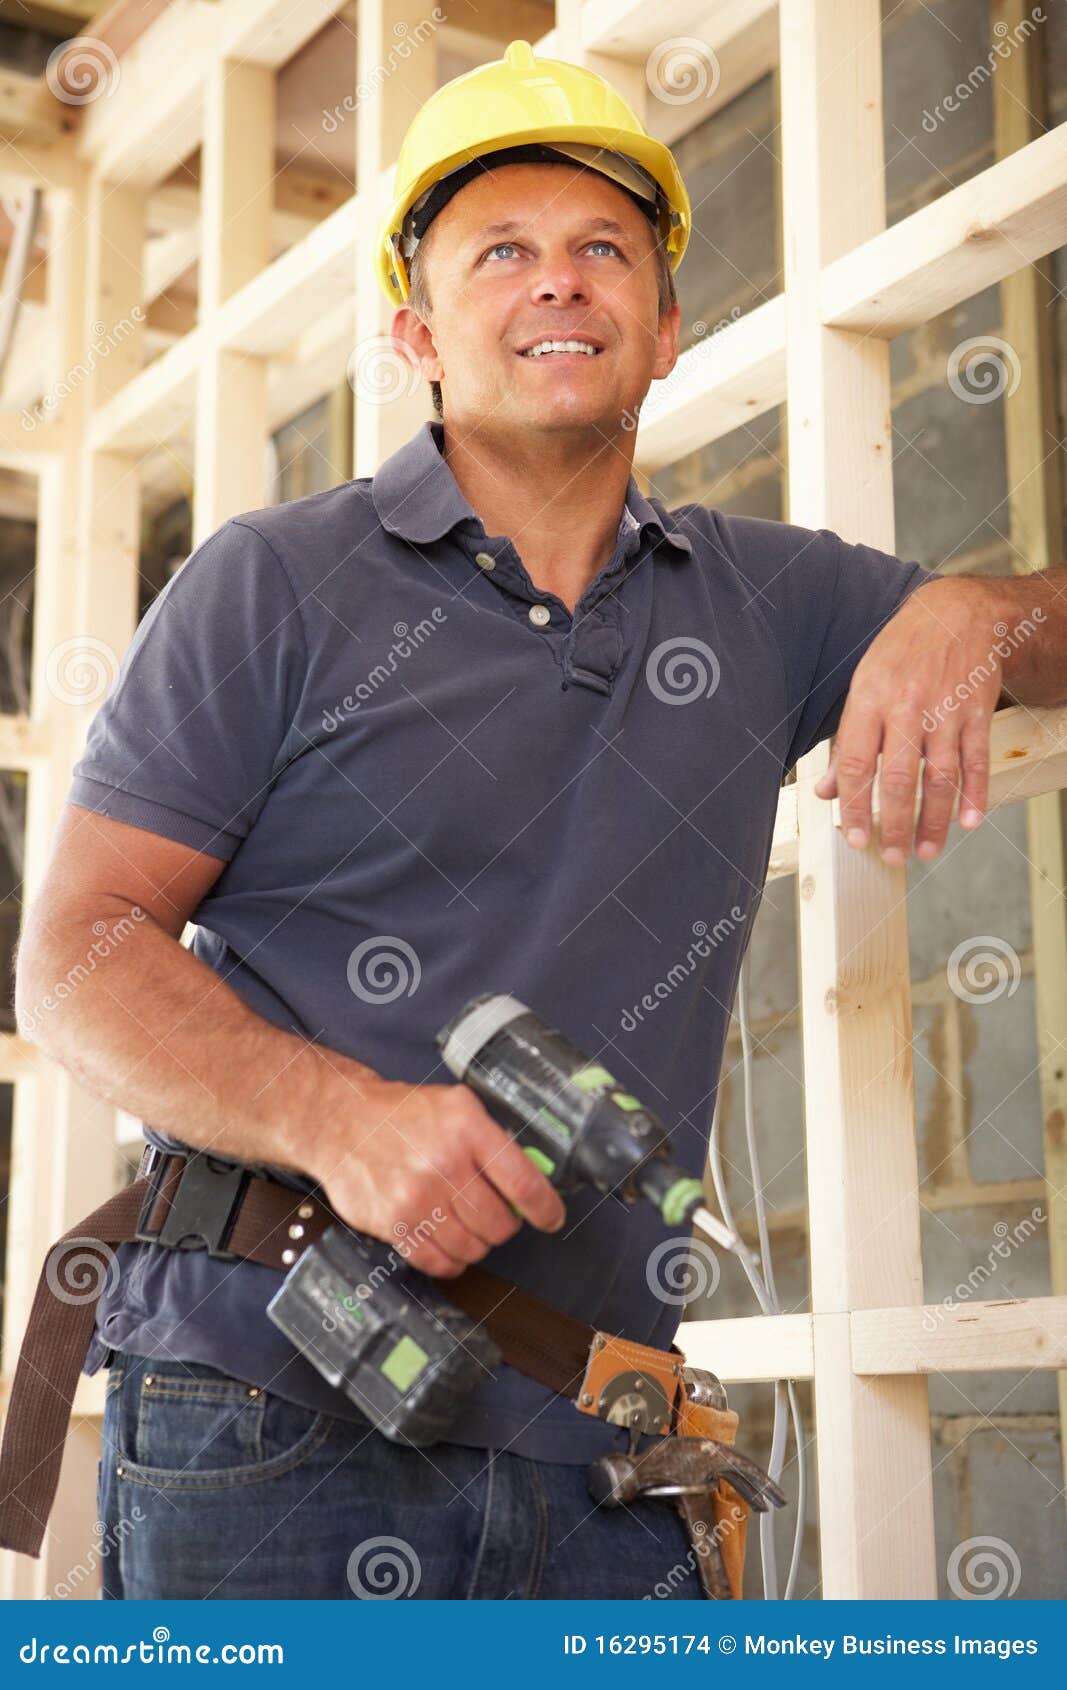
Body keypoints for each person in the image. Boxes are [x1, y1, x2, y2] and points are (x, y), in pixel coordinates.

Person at [12, 40, 1067, 1601]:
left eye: (602, 253)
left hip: (604, 1448)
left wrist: (972, 609)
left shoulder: (767, 600)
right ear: (418, 331)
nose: (558, 284)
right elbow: (76, 956)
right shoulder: (276, 581)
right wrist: (338, 1122)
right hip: (269, 1417)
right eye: (501, 251)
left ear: (663, 330)